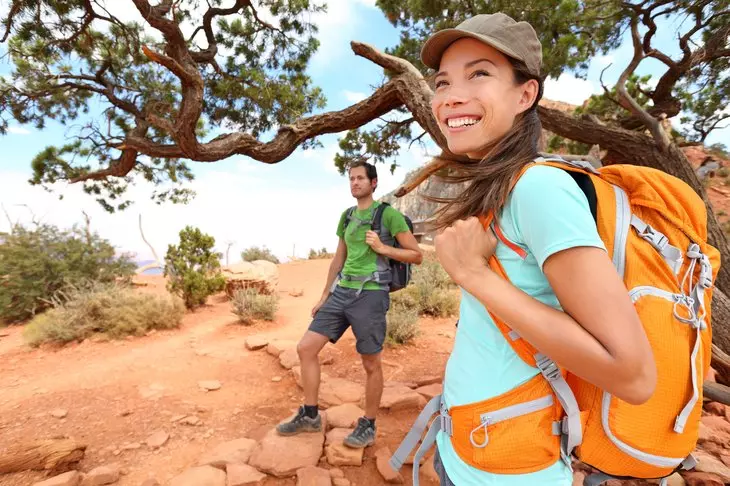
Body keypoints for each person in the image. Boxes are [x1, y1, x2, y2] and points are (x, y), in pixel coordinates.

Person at [415, 13, 656, 485]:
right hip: (465, 450)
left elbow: (633, 376)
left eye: (479, 73)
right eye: (442, 82)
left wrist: (475, 276)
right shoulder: (500, 189)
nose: (451, 96)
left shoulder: (539, 188)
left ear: (526, 94)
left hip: (511, 473)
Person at [276, 160, 423, 449]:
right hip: (342, 291)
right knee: (306, 348)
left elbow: (416, 255)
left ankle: (368, 424)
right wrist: (323, 297)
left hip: (371, 295)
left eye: (360, 178)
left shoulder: (388, 215)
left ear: (374, 183)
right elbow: (338, 260)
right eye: (351, 179)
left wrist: (382, 247)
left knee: (370, 362)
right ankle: (310, 415)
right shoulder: (346, 217)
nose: (355, 183)